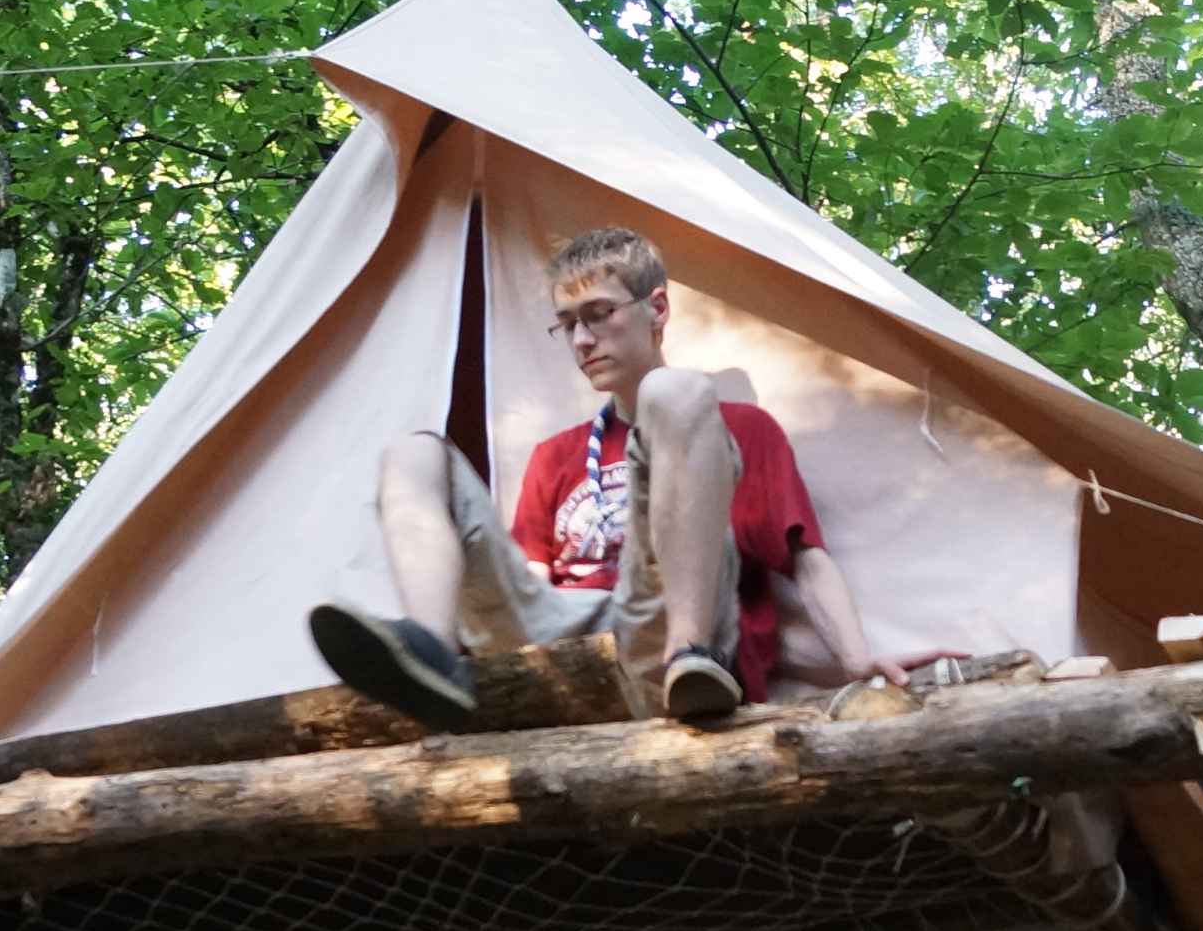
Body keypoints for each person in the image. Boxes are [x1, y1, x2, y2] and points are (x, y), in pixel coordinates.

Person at [311, 225, 906, 727]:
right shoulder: (556, 454)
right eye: (567, 324)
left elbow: (806, 559)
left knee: (674, 392)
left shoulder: (739, 428)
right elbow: (530, 580)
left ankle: (691, 657)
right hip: (564, 640)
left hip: (661, 628)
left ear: (658, 308)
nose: (582, 340)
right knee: (415, 453)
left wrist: (857, 664)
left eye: (599, 315)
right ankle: (431, 654)